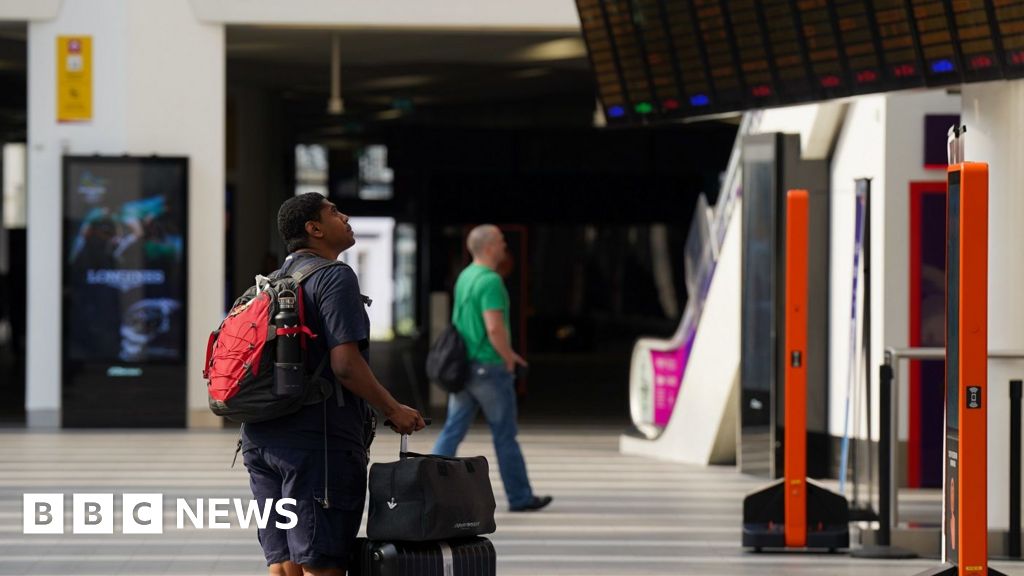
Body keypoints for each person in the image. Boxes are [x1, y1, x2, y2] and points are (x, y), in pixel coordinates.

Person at [242, 192, 426, 576]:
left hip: (260, 441)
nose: (345, 217)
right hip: (317, 443)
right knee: (321, 565)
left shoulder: (271, 282)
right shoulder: (334, 277)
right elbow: (345, 365)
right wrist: (394, 409)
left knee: (284, 564)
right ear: (314, 229)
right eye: (334, 212)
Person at [432, 224, 553, 512]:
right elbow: (494, 327)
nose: (504, 247)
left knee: (453, 430)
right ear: (488, 247)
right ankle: (520, 496)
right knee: (504, 434)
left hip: (465, 367)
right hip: (489, 366)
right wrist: (508, 358)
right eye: (500, 242)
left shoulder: (466, 276)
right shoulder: (491, 281)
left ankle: (428, 487)